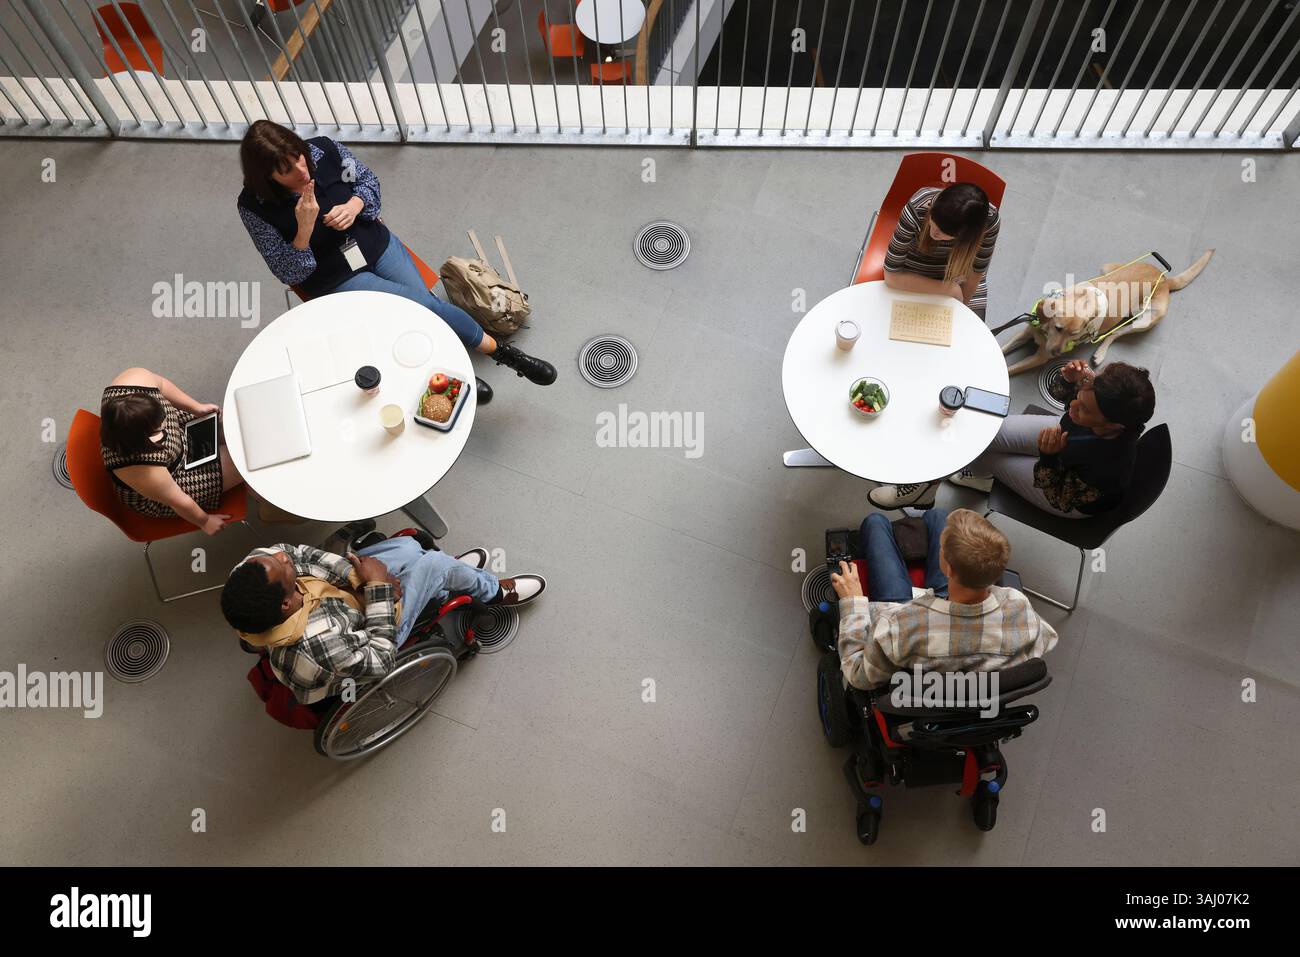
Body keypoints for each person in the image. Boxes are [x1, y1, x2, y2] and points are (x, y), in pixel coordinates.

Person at [236, 120, 556, 397]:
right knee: (424, 308)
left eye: (298, 157)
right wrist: (303, 230)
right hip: (336, 277)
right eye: (287, 170)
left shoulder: (323, 150)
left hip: (376, 244)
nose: (302, 170)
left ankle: (462, 370)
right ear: (267, 176)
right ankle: (500, 357)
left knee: (424, 305)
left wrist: (355, 206)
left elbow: (368, 181)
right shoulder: (254, 207)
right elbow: (286, 269)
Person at [220, 535, 545, 704]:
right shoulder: (317, 649)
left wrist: (358, 577)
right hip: (368, 639)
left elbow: (298, 554)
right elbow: (381, 658)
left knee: (407, 545)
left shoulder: (249, 573)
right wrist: (377, 591)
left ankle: (447, 576)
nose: (281, 557)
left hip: (345, 596)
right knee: (431, 564)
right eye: (282, 568)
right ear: (287, 604)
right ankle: (492, 592)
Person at [869, 359, 1156, 514]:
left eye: (1084, 410)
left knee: (984, 454)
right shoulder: (1100, 397)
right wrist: (1067, 381)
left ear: (1113, 427)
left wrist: (1049, 456)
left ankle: (923, 489)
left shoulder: (1107, 470)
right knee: (982, 432)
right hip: (1062, 446)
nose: (1072, 406)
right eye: (1080, 397)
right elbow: (1064, 397)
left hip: (1066, 490)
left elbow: (1057, 494)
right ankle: (941, 481)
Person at [832, 507, 1057, 691]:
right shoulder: (1018, 606)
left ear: (947, 567)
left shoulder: (899, 627)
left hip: (906, 612)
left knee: (875, 522)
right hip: (951, 614)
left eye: (941, 547)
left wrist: (853, 603)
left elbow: (858, 675)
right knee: (936, 515)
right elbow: (1047, 639)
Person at [100, 367, 243, 534]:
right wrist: (204, 521)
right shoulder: (142, 470)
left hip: (177, 437)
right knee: (242, 458)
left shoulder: (133, 379)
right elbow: (179, 501)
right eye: (156, 429)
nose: (163, 425)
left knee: (236, 421)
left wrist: (196, 408)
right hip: (173, 482)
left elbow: (161, 384)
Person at [883, 181, 1000, 319]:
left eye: (945, 232)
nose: (934, 233)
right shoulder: (918, 205)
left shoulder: (989, 221)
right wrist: (950, 290)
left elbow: (976, 273)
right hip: (912, 275)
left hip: (960, 276)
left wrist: (960, 307)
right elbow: (891, 276)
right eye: (933, 219)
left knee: (970, 334)